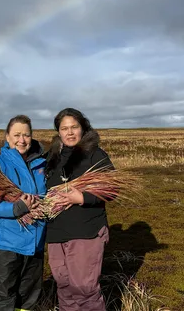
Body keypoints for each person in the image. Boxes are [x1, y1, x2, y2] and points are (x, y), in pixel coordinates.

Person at [44, 108, 114, 311]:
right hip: (56, 234)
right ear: (59, 132)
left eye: (74, 127)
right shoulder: (52, 156)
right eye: (64, 128)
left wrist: (82, 197)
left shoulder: (95, 155)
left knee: (85, 291)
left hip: (85, 232)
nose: (70, 132)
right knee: (64, 288)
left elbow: (111, 189)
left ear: (83, 128)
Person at [0, 115, 47, 311]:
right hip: (3, 247)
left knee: (27, 302)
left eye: (26, 135)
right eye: (16, 134)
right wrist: (17, 208)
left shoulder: (41, 165)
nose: (22, 140)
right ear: (7, 137)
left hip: (34, 246)